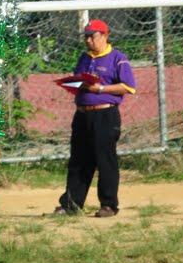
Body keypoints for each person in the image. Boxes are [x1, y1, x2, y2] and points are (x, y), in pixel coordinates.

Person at [57, 19, 136, 218]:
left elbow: (128, 87)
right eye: (86, 37)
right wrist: (73, 82)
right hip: (83, 114)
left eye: (92, 36)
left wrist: (99, 88)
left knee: (105, 159)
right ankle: (71, 205)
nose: (88, 40)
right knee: (78, 160)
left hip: (104, 114)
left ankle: (109, 205)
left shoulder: (118, 58)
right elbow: (79, 80)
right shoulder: (84, 58)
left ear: (104, 36)